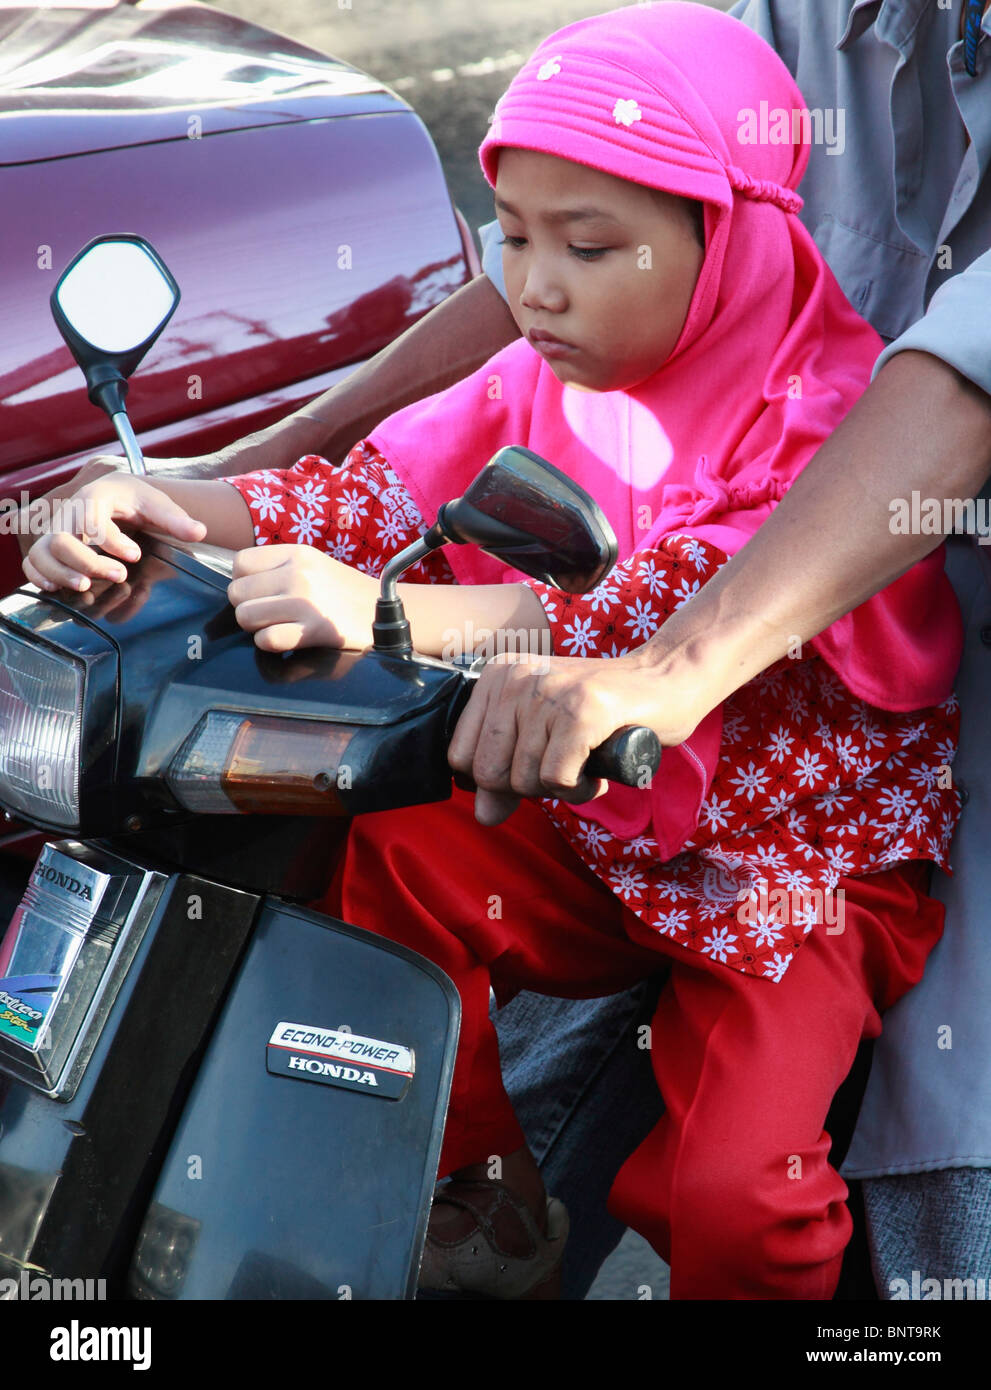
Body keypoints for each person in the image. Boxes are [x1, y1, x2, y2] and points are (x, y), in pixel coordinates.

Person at [23, 3, 964, 1299]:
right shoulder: (544, 372)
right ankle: (483, 1189)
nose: (534, 285)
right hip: (600, 823)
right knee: (393, 849)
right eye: (513, 237)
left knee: (736, 1194)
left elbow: (658, 608)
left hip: (788, 882)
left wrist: (388, 612)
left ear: (732, 238)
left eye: (589, 245)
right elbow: (368, 496)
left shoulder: (823, 412)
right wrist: (162, 498)